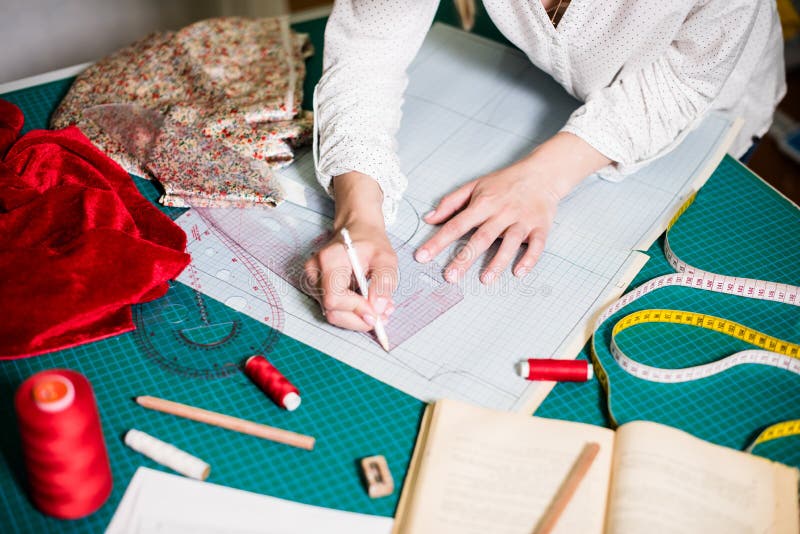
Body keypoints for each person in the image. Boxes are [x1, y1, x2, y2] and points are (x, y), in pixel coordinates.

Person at [303, 0, 786, 332]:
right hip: (563, 85)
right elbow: (368, 51)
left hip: (714, 114)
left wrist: (544, 177)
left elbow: (680, 82)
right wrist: (358, 210)